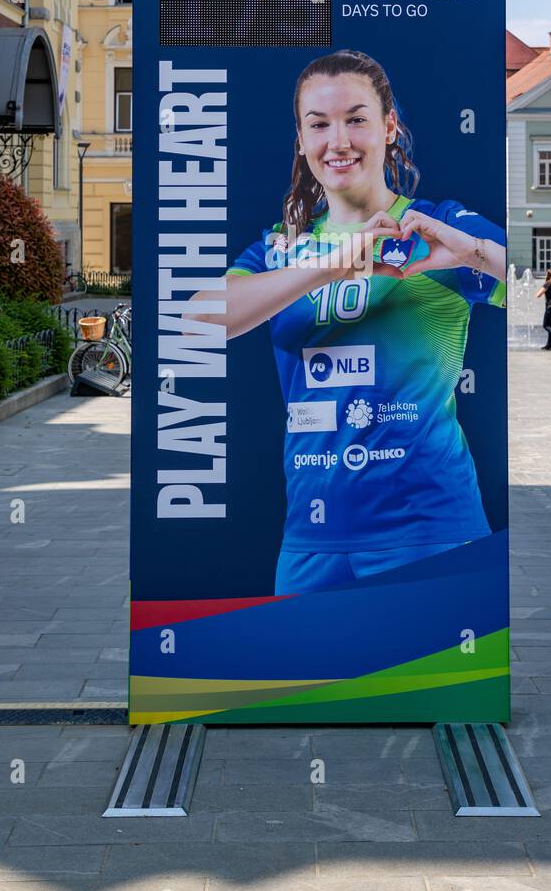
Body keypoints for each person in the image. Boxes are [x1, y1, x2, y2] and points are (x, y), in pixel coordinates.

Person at [192, 49, 506, 595]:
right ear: (300, 140)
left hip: (430, 531)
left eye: (356, 120)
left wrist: (475, 251)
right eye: (319, 125)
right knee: (311, 684)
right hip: (312, 540)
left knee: (429, 686)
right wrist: (331, 264)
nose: (338, 142)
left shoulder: (438, 227)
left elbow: (548, 286)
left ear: (389, 127)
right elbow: (199, 317)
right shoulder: (282, 245)